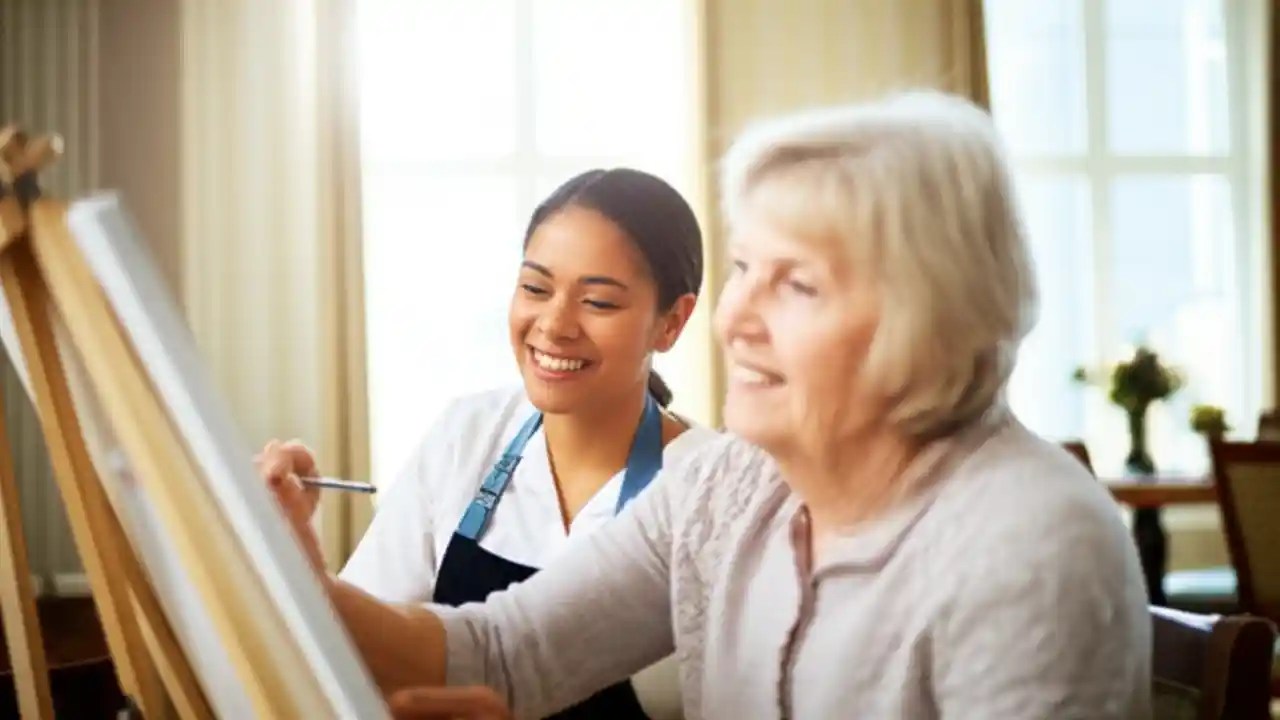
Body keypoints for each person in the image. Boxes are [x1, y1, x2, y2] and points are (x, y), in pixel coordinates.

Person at [265, 91, 1152, 719]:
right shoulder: (734, 484)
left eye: (796, 284)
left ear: (926, 320)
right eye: (742, 271)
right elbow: (507, 654)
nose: (736, 319)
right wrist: (289, 577)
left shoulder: (1032, 543)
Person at [260, 168, 716, 719]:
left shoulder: (708, 489)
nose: (554, 324)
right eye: (535, 288)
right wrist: (287, 561)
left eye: (598, 302)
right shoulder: (467, 434)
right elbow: (357, 655)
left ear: (672, 322)